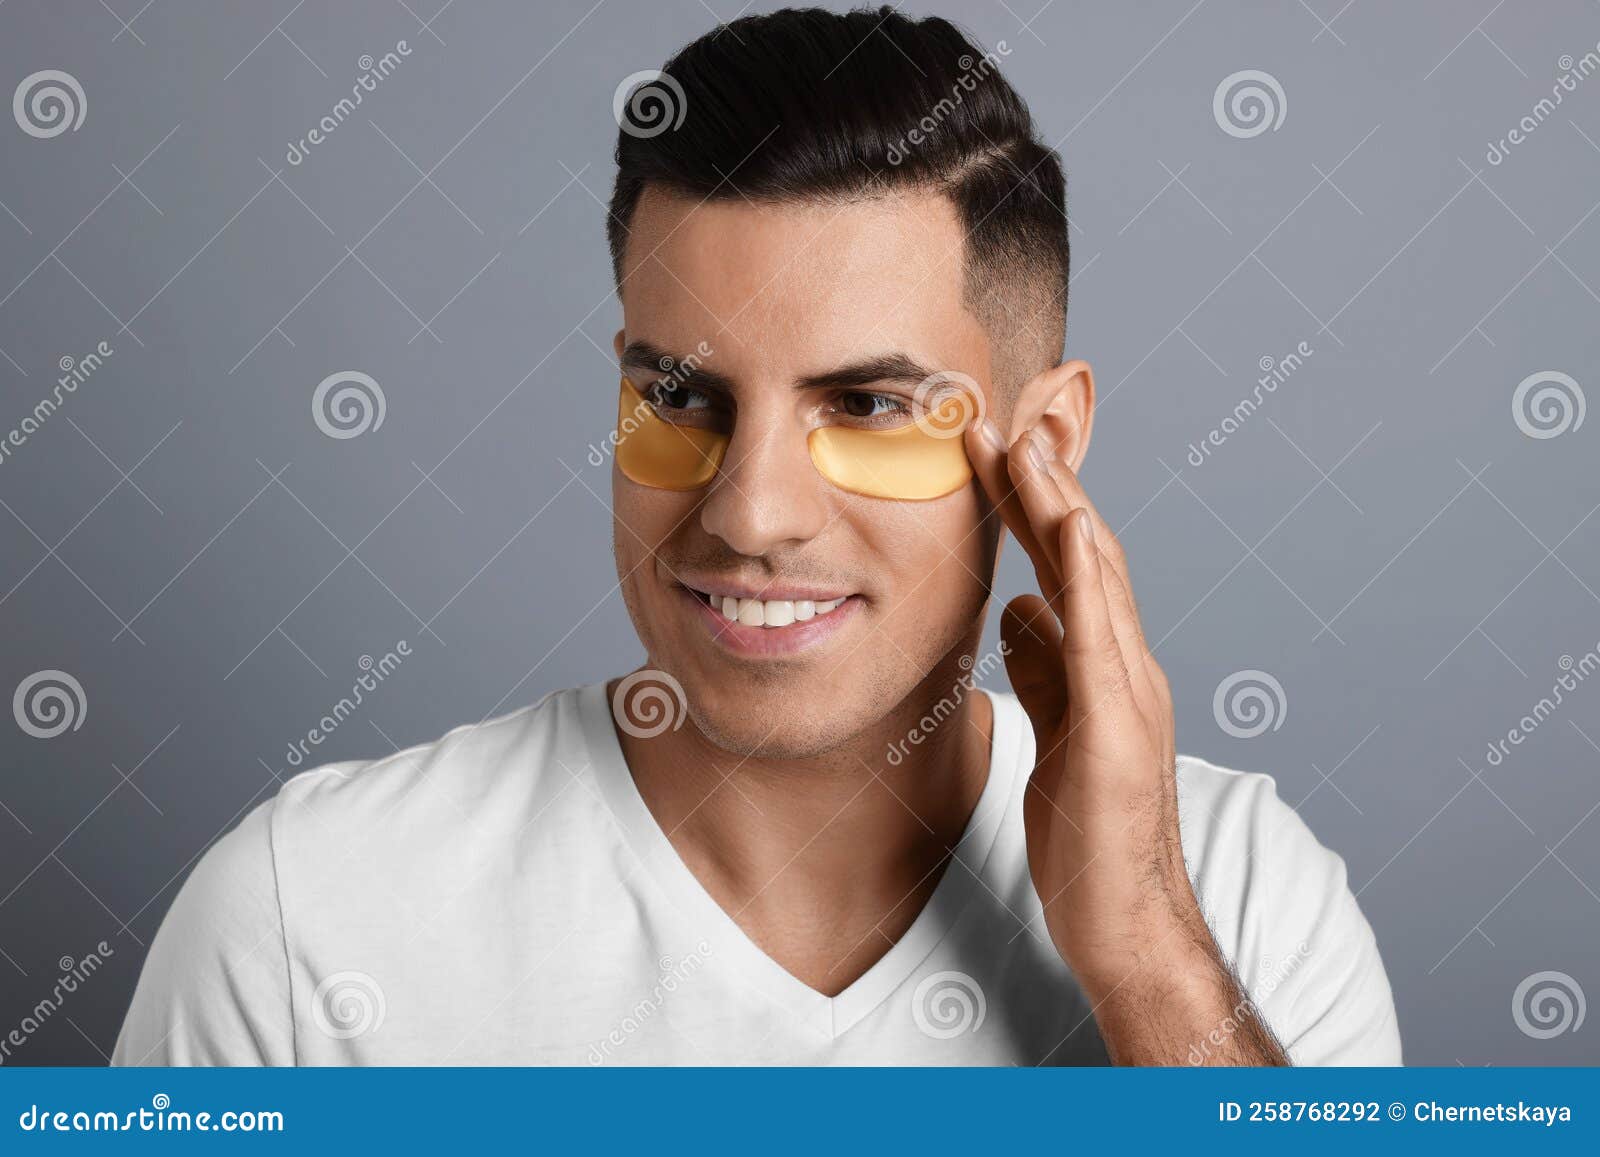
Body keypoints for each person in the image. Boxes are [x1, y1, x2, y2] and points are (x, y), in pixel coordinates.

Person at [114, 6, 1400, 1066]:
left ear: (1042, 447)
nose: (749, 512)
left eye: (869, 403)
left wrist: (1140, 958)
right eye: (680, 395)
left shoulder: (1237, 897)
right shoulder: (307, 917)